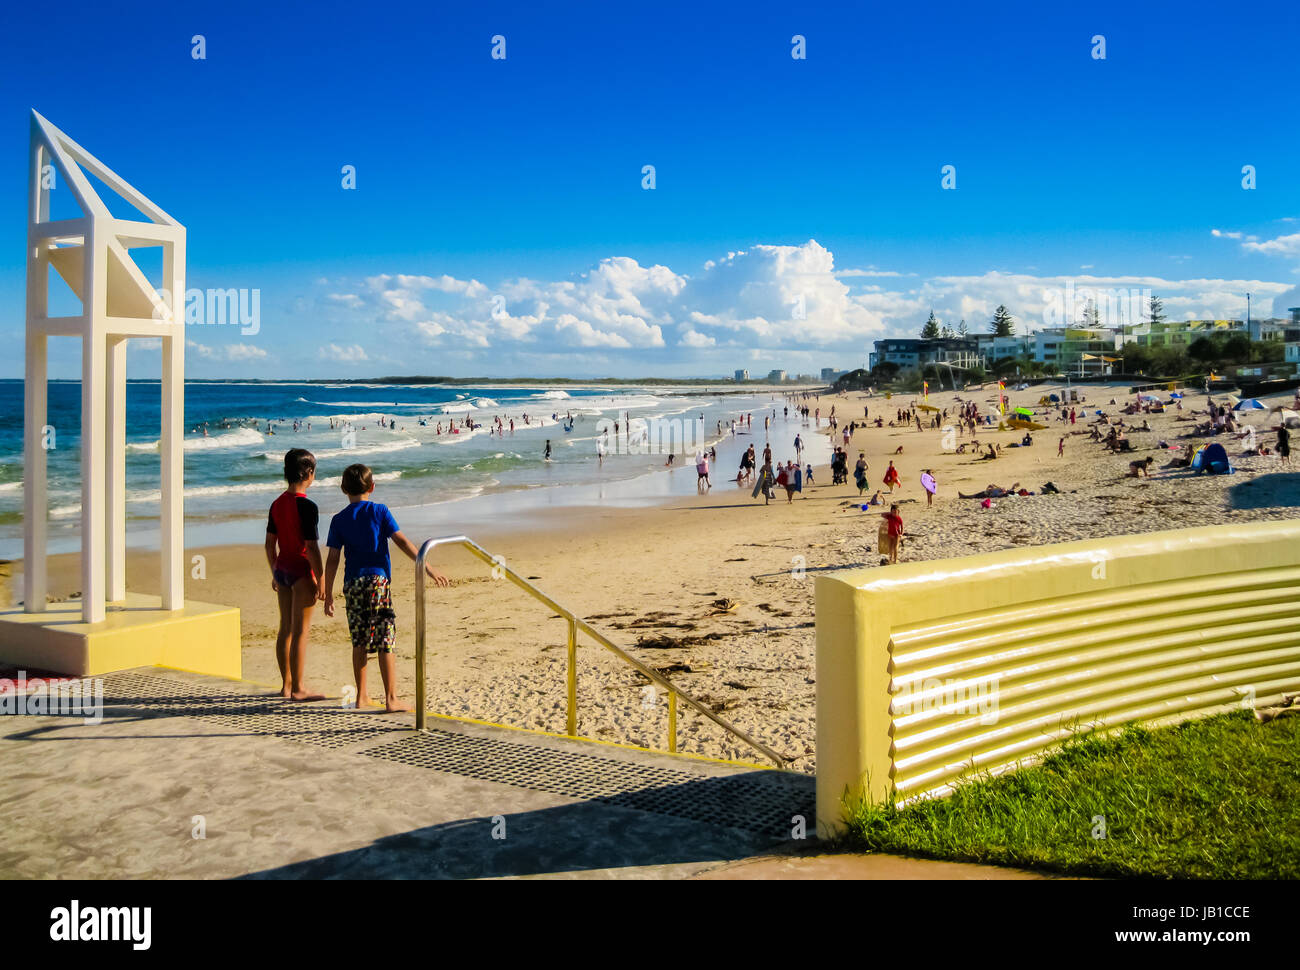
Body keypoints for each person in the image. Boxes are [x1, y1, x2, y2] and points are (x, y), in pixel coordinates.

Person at [322, 463, 450, 712]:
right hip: (378, 582)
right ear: (372, 487)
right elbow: (401, 541)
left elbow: (333, 559)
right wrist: (427, 566)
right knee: (385, 639)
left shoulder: (338, 520)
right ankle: (391, 698)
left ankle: (361, 697)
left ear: (342, 489)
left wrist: (328, 593)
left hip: (353, 583)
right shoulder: (379, 511)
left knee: (358, 639)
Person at [265, 448, 325, 702]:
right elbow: (311, 548)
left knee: (285, 629)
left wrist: (275, 570)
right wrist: (321, 579)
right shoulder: (308, 507)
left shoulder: (276, 504)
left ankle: (286, 685)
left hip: (282, 570)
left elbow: (269, 545)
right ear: (309, 473)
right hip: (301, 571)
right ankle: (299, 689)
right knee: (301, 630)